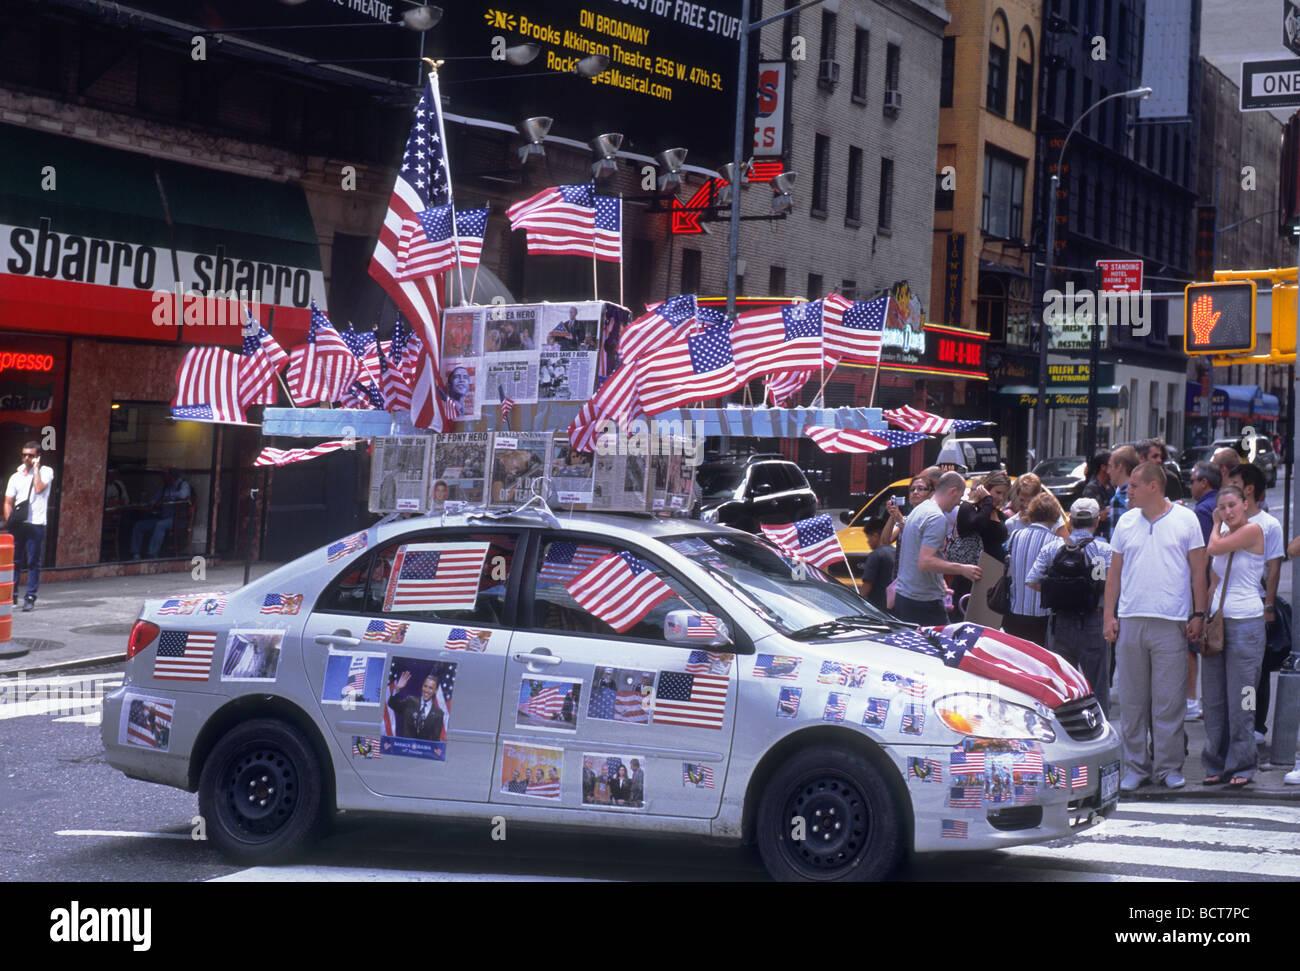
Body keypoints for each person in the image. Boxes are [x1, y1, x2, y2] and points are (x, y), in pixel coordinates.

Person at [1105, 461, 1207, 791]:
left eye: (1133, 485)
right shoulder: (1125, 522)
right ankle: (1136, 767)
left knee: (1169, 701)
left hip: (1171, 621)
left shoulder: (1186, 520)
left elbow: (1198, 571)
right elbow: (1114, 574)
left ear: (1153, 486)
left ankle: (1169, 767)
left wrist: (1199, 613)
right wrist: (1109, 615)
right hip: (1132, 619)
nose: (1127, 490)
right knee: (1132, 702)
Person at [1201, 486, 1267, 788]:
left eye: (1232, 506)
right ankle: (1215, 761)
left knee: (1244, 698)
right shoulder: (1225, 537)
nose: (1228, 512)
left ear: (1245, 504)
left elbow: (1213, 549)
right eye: (1222, 507)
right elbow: (1213, 580)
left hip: (1246, 624)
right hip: (1218, 624)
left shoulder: (1253, 530)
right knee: (1214, 698)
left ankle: (1243, 762)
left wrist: (1215, 524)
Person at [1026, 497, 1114, 712]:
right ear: (1096, 521)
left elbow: (1032, 580)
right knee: (1097, 685)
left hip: (1060, 623)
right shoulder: (1104, 550)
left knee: (1062, 686)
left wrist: (1058, 591)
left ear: (1070, 520)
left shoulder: (1053, 548)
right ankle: (1098, 731)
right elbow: (1107, 584)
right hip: (1093, 622)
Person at [1224, 462, 1285, 742]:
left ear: (1248, 489)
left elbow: (1273, 569)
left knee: (1255, 673)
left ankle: (1256, 724)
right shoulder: (1227, 519)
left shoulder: (1269, 524)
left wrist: (1269, 606)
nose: (1228, 484)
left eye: (1234, 481)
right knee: (1228, 673)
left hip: (1255, 606)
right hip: (1225, 608)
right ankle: (1232, 725)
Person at [894, 471, 980, 626]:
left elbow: (917, 556)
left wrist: (939, 581)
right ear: (953, 491)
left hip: (905, 597)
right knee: (942, 647)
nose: (957, 504)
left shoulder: (919, 510)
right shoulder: (937, 518)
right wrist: (962, 569)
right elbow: (925, 562)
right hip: (923, 602)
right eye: (959, 498)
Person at [1184, 461, 1221, 721]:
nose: (1190, 485)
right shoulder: (1221, 503)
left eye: (1193, 480)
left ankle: (1191, 701)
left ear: (1204, 483)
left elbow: (1200, 555)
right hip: (1219, 585)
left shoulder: (1204, 510)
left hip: (1205, 586)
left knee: (1193, 645)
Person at [1002, 493, 1063, 645]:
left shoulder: (1015, 536)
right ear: (1055, 515)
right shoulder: (1057, 543)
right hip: (1042, 616)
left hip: (1015, 611)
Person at [5, 442, 54, 612]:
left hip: (36, 523)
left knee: (33, 561)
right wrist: (9, 519)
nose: (27, 458)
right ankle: (13, 595)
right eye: (24, 455)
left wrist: (36, 468)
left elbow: (39, 489)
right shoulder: (15, 476)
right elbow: (8, 501)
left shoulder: (46, 472)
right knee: (14, 561)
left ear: (38, 456)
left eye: (31, 455)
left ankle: (30, 597)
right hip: (18, 524)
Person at [129, 468, 191, 559]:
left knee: (160, 525)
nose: (163, 478)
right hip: (163, 517)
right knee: (139, 526)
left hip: (178, 520)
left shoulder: (183, 484)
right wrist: (153, 503)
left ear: (172, 476)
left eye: (165, 476)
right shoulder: (165, 487)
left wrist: (167, 497)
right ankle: (135, 553)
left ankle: (152, 553)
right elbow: (155, 499)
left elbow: (183, 495)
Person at [386, 670, 445, 741]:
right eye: (425, 686)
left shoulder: (438, 713)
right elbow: (392, 704)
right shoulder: (410, 701)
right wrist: (397, 688)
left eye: (430, 688)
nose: (426, 690)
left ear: (436, 690)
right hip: (404, 748)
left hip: (423, 750)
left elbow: (435, 738)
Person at [880, 476, 933, 548]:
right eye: (912, 489)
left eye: (920, 489)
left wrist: (900, 519)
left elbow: (918, 536)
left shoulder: (932, 517)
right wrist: (893, 515)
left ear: (930, 494)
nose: (915, 492)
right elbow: (885, 541)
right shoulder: (907, 519)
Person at [857, 518, 895, 611]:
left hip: (878, 606)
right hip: (894, 603)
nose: (868, 541)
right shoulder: (895, 551)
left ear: (875, 536)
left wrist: (857, 601)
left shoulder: (875, 555)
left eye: (868, 537)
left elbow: (867, 584)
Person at [1106, 445, 1141, 531]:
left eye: (1110, 466)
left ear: (1120, 467)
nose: (1108, 471)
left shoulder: (1118, 500)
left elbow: (1116, 540)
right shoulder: (1144, 494)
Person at [1080, 450, 1114, 536]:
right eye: (1111, 465)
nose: (1114, 468)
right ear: (1103, 467)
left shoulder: (1112, 486)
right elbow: (1091, 515)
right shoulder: (1092, 488)